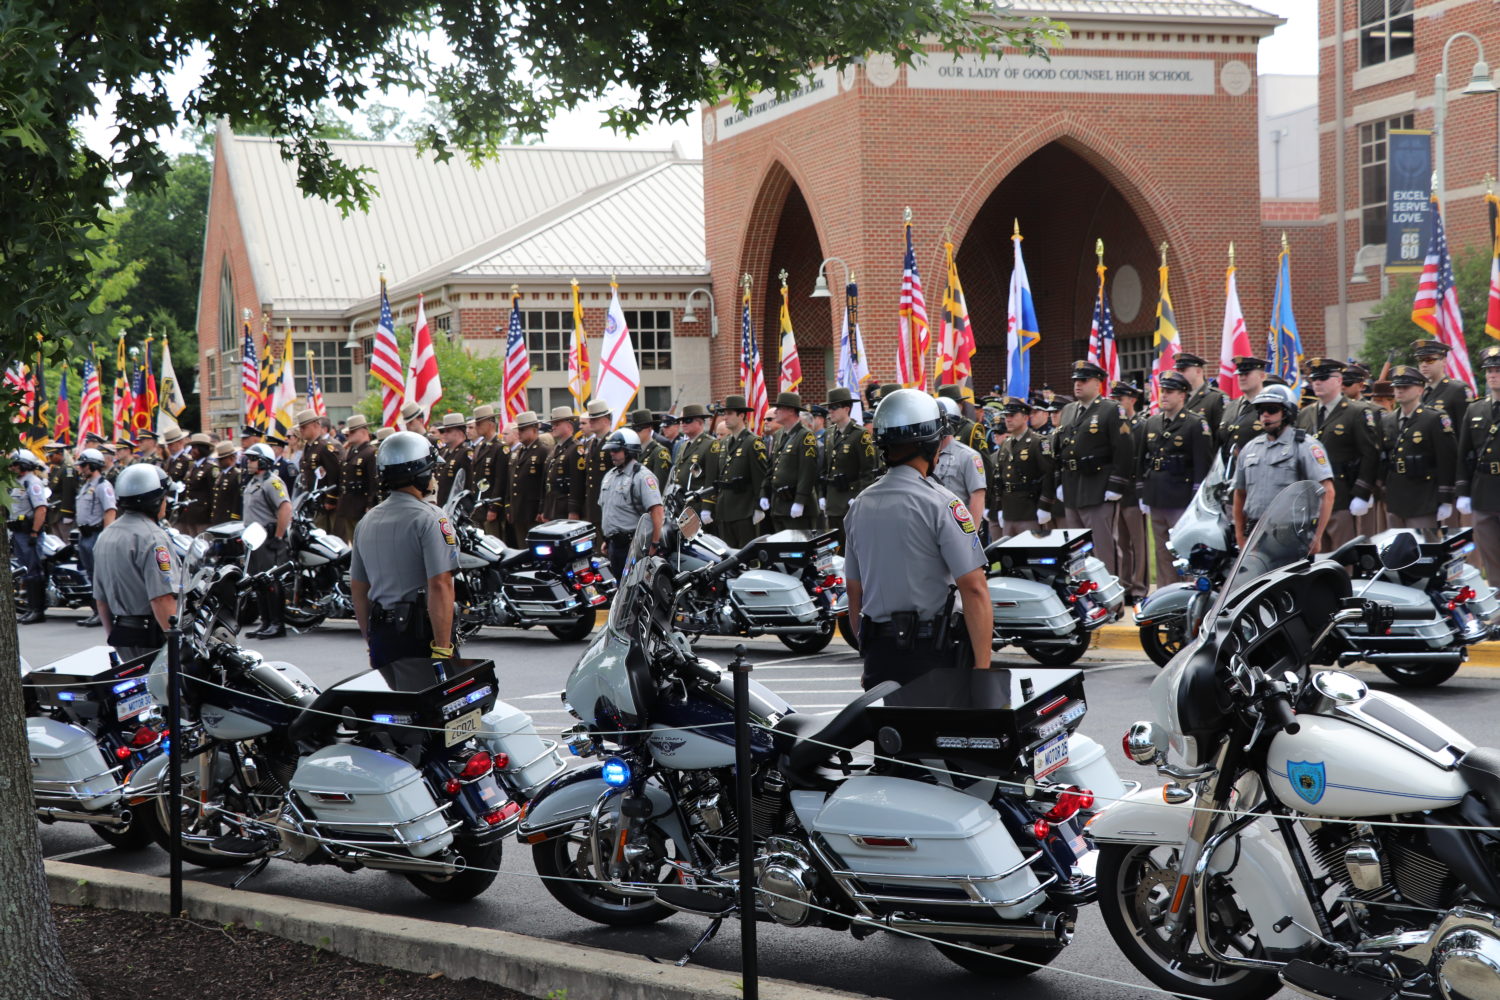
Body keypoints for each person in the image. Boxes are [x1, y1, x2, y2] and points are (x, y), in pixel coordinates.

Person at [844, 389, 991, 690]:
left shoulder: (859, 505)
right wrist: (982, 670)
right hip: (932, 656)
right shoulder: (944, 504)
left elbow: (853, 591)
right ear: (930, 444)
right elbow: (974, 588)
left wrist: (868, 655)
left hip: (878, 658)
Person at [349, 431, 459, 669]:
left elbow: (358, 588)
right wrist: (442, 649)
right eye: (431, 471)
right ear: (420, 473)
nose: (433, 477)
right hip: (420, 635)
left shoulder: (366, 522)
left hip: (382, 635)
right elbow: (440, 584)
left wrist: (371, 639)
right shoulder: (431, 518)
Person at [89, 464, 178, 659]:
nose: (166, 502)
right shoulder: (153, 537)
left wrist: (113, 636)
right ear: (155, 501)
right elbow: (162, 598)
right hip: (152, 635)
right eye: (164, 497)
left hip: (122, 634)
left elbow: (101, 600)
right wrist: (177, 646)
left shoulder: (106, 535)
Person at [1054, 360, 1134, 575]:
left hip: (1099, 487)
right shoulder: (1069, 410)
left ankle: (1112, 593)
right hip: (1072, 487)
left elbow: (1124, 449)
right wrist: (1059, 482)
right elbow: (1060, 449)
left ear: (1098, 383)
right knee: (1076, 551)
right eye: (1075, 380)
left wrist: (1116, 485)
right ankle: (1084, 592)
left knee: (1103, 548)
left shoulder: (1111, 409)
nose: (1077, 384)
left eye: (1083, 380)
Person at [1231, 385, 1334, 551]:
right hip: (1256, 534)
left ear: (1287, 413)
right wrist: (1239, 534)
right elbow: (1239, 493)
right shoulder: (1250, 448)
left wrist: (1317, 536)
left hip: (1292, 535)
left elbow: (1327, 492)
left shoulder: (1304, 445)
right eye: (1261, 410)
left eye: (1272, 410)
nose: (1265, 415)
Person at [1137, 372, 1214, 590]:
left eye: (1170, 392)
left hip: (1182, 499)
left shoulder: (1195, 423)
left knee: (1185, 551)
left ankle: (1189, 595)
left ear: (1182, 395)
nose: (1164, 396)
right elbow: (1141, 461)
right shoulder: (1151, 422)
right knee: (1162, 552)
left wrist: (1196, 499)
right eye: (1163, 391)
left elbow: (1203, 464)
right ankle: (1166, 594)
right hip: (1156, 496)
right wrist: (1142, 493)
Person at [1295, 357, 1380, 549]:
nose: (1317, 382)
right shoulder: (1305, 414)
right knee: (1317, 557)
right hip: (1312, 500)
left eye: (1323, 378)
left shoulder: (1357, 412)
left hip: (1343, 496)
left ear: (1339, 380)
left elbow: (1370, 453)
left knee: (1344, 555)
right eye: (1314, 378)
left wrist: (1362, 492)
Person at [1382, 364, 1458, 536]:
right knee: (1397, 547)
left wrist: (1446, 498)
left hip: (1423, 497)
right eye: (1397, 387)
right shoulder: (1388, 420)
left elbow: (1447, 459)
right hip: (1396, 496)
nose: (1400, 391)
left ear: (1420, 390)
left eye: (1405, 387)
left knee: (1425, 546)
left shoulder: (1434, 418)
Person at [597, 428, 665, 579]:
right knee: (620, 586)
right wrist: (608, 540)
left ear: (629, 451)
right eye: (610, 450)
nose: (612, 453)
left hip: (634, 545)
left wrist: (655, 543)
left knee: (636, 587)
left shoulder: (642, 476)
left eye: (616, 450)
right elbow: (608, 510)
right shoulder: (610, 476)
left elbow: (657, 510)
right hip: (614, 546)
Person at [1458, 345, 1500, 586]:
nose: (1492, 375)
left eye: (1498, 370)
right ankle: (1498, 601)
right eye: (1489, 371)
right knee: (1490, 556)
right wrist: (1463, 491)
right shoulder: (1475, 409)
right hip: (1483, 492)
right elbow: (1464, 453)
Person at [702, 395, 769, 547]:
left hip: (745, 510)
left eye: (730, 413)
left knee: (748, 555)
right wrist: (710, 506)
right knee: (728, 555)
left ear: (741, 415)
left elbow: (761, 479)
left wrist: (759, 507)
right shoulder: (724, 443)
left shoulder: (753, 443)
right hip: (724, 510)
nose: (725, 417)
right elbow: (716, 478)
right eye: (724, 413)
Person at [242, 442, 292, 639]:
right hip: (254, 538)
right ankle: (265, 622)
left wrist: (278, 536)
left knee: (271, 581)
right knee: (258, 581)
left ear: (264, 461)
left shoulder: (273, 482)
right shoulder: (254, 481)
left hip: (267, 537)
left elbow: (285, 508)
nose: (249, 462)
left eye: (253, 459)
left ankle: (277, 624)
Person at [818, 387, 878, 538]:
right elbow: (825, 469)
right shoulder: (829, 433)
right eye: (828, 408)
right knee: (835, 544)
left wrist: (858, 497)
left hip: (850, 498)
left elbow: (868, 471)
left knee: (851, 543)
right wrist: (821, 494)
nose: (830, 411)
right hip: (833, 501)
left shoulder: (860, 435)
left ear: (846, 409)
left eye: (834, 407)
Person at [1110, 380, 1148, 604]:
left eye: (1120, 399)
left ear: (1132, 400)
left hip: (1134, 491)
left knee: (1138, 543)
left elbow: (1142, 459)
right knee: (1121, 543)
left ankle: (1139, 588)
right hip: (1117, 492)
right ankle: (1124, 585)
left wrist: (1143, 492)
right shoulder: (1114, 424)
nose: (1117, 403)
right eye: (1114, 399)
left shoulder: (1141, 425)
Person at [994, 396, 1054, 536]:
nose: (1008, 419)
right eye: (1006, 416)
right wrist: (999, 507)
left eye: (1012, 415)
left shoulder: (1037, 442)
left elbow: (1048, 475)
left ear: (1025, 417)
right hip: (1009, 511)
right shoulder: (1006, 444)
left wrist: (1045, 506)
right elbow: (999, 478)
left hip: (1029, 511)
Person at [72, 448, 117, 627]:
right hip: (85, 535)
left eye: (83, 465)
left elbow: (110, 511)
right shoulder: (87, 485)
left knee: (100, 576)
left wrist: (105, 537)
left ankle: (105, 613)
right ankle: (97, 611)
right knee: (91, 575)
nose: (81, 469)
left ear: (92, 465)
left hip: (96, 535)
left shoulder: (103, 486)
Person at [761, 391, 818, 531]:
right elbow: (771, 468)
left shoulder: (805, 436)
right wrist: (764, 493)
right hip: (779, 504)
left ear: (791, 410)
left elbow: (807, 471)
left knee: (798, 543)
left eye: (779, 408)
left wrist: (800, 501)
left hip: (796, 505)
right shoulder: (778, 435)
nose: (776, 412)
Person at [931, 396, 986, 525]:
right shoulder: (926, 455)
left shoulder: (968, 456)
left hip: (957, 526)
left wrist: (972, 532)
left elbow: (977, 496)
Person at [8, 450, 49, 623]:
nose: (12, 467)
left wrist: (34, 532)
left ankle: (37, 610)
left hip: (28, 533)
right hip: (18, 532)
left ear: (23, 465)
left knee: (33, 571)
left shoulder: (32, 482)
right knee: (26, 571)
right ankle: (30, 608)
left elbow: (41, 509)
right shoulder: (18, 482)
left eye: (15, 464)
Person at [295, 409, 342, 532]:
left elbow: (335, 474)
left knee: (325, 534)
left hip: (324, 503)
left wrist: (331, 498)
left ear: (315, 425)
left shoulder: (325, 447)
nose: (301, 430)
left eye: (304, 427)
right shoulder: (308, 447)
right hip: (312, 501)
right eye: (300, 427)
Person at [506, 410, 550, 540]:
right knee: (521, 545)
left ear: (534, 430)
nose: (519, 433)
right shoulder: (519, 452)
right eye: (518, 429)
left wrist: (542, 509)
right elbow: (511, 481)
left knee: (535, 544)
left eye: (523, 429)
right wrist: (509, 507)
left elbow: (544, 484)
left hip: (533, 511)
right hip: (518, 510)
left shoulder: (543, 451)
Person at [333, 414, 377, 539]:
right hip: (349, 507)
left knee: (363, 542)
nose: (348, 435)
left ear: (363, 431)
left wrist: (370, 505)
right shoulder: (351, 452)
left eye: (352, 432)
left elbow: (374, 483)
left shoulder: (371, 452)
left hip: (362, 507)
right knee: (353, 542)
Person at [468, 404, 509, 538]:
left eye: (480, 423)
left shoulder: (500, 448)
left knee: (493, 540)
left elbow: (500, 480)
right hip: (478, 506)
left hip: (490, 508)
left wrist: (494, 507)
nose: (477, 426)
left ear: (491, 423)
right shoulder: (480, 446)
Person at [667, 403, 716, 512]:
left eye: (687, 420)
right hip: (681, 503)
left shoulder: (710, 444)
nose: (683, 424)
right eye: (681, 421)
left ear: (700, 422)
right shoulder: (683, 445)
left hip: (698, 504)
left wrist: (708, 507)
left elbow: (711, 478)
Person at [1219, 356, 1269, 458]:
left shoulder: (1269, 405)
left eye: (1247, 374)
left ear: (1262, 376)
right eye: (1240, 374)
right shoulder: (1231, 406)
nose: (1242, 378)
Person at [543, 405, 587, 521]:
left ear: (569, 425)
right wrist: (545, 509)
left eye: (557, 424)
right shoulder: (556, 449)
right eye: (553, 424)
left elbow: (577, 482)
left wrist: (573, 510)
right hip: (553, 506)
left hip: (565, 508)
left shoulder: (576, 449)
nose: (553, 427)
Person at [1414, 339, 1474, 422]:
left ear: (1444, 361)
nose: (1424, 365)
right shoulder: (1418, 391)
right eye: (1420, 360)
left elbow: (1465, 426)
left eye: (1429, 360)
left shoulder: (1457, 389)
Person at [1175, 352, 1225, 447]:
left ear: (1198, 371)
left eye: (1183, 370)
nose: (1180, 375)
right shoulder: (1178, 398)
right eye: (1178, 371)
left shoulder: (1215, 398)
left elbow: (1221, 435)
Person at [177, 432, 218, 535]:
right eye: (192, 447)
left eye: (195, 448)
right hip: (190, 514)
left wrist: (212, 514)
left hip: (202, 515)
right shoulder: (193, 467)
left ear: (202, 449)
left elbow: (213, 494)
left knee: (202, 541)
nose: (192, 451)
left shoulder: (210, 468)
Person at [581, 400, 612, 527]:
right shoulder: (590, 444)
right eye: (590, 419)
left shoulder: (614, 442)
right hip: (592, 505)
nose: (591, 422)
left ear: (605, 420)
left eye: (594, 419)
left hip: (608, 505)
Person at [433, 412, 470, 506]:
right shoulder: (444, 452)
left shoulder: (465, 453)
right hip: (441, 503)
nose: (444, 434)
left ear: (460, 432)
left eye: (448, 431)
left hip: (455, 505)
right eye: (443, 431)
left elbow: (467, 483)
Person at [43, 442, 78, 539]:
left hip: (62, 513)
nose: (49, 458)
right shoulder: (57, 469)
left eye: (51, 456)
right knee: (57, 541)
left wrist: (67, 513)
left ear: (59, 454)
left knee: (66, 541)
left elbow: (69, 492)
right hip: (54, 512)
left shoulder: (68, 469)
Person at [630, 408, 673, 481]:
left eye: (638, 429)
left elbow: (659, 483)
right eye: (633, 430)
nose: (635, 433)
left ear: (649, 429)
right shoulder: (635, 451)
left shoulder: (659, 452)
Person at [208, 440, 244, 525]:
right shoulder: (221, 474)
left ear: (231, 458)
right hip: (218, 517)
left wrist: (235, 518)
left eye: (222, 459)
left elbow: (237, 499)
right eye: (218, 459)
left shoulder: (236, 475)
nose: (219, 462)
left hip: (228, 518)